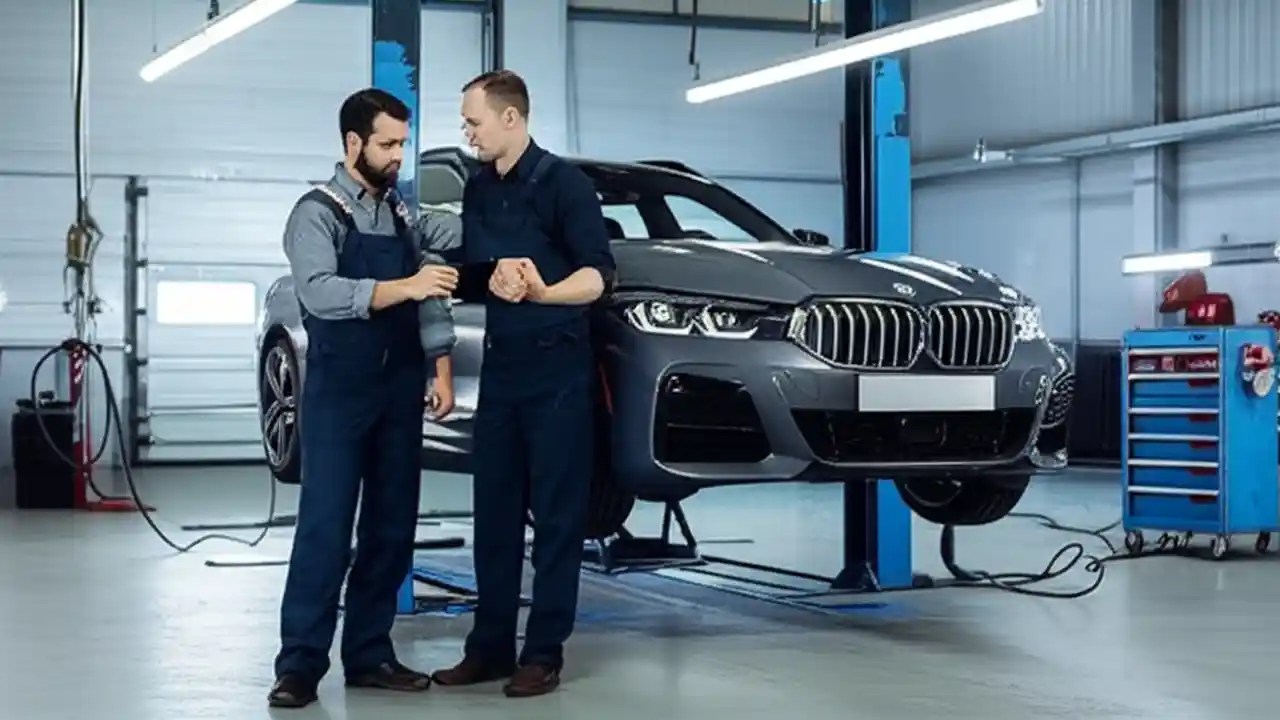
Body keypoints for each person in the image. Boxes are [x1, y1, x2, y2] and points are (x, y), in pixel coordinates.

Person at [268, 87, 459, 709]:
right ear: (354, 143)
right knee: (325, 527)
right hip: (340, 391)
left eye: (402, 142)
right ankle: (299, 664)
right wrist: (405, 284)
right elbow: (321, 292)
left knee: (391, 526)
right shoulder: (315, 213)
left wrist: (517, 211)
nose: (399, 155)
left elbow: (453, 242)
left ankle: (371, 653)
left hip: (399, 389)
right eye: (388, 144)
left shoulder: (402, 213)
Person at [430, 69, 615, 698]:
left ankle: (543, 653)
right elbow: (476, 273)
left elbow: (598, 277)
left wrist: (544, 291)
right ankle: (488, 648)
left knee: (558, 519)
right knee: (496, 514)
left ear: (512, 119)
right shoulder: (478, 188)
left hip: (559, 368)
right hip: (503, 369)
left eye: (473, 121)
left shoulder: (567, 185)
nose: (467, 132)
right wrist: (491, 277)